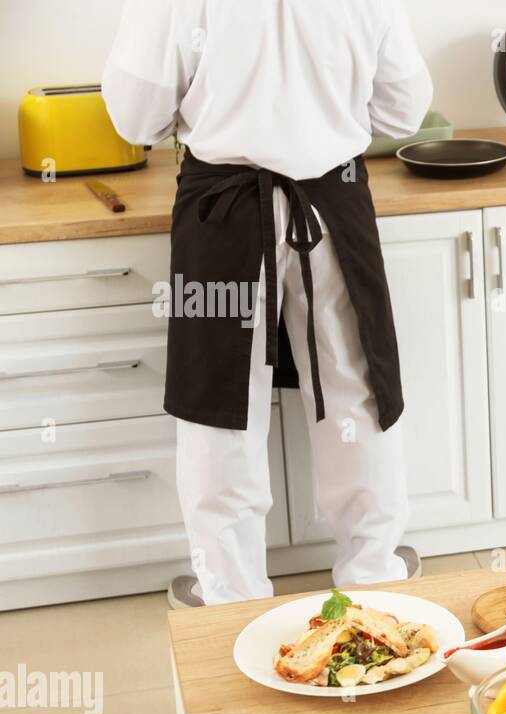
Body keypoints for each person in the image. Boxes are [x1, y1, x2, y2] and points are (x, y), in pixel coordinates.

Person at [102, 0, 433, 606]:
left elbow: (134, 117)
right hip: (334, 199)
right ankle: (374, 575)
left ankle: (231, 596)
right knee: (354, 387)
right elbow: (403, 108)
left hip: (220, 213)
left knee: (220, 406)